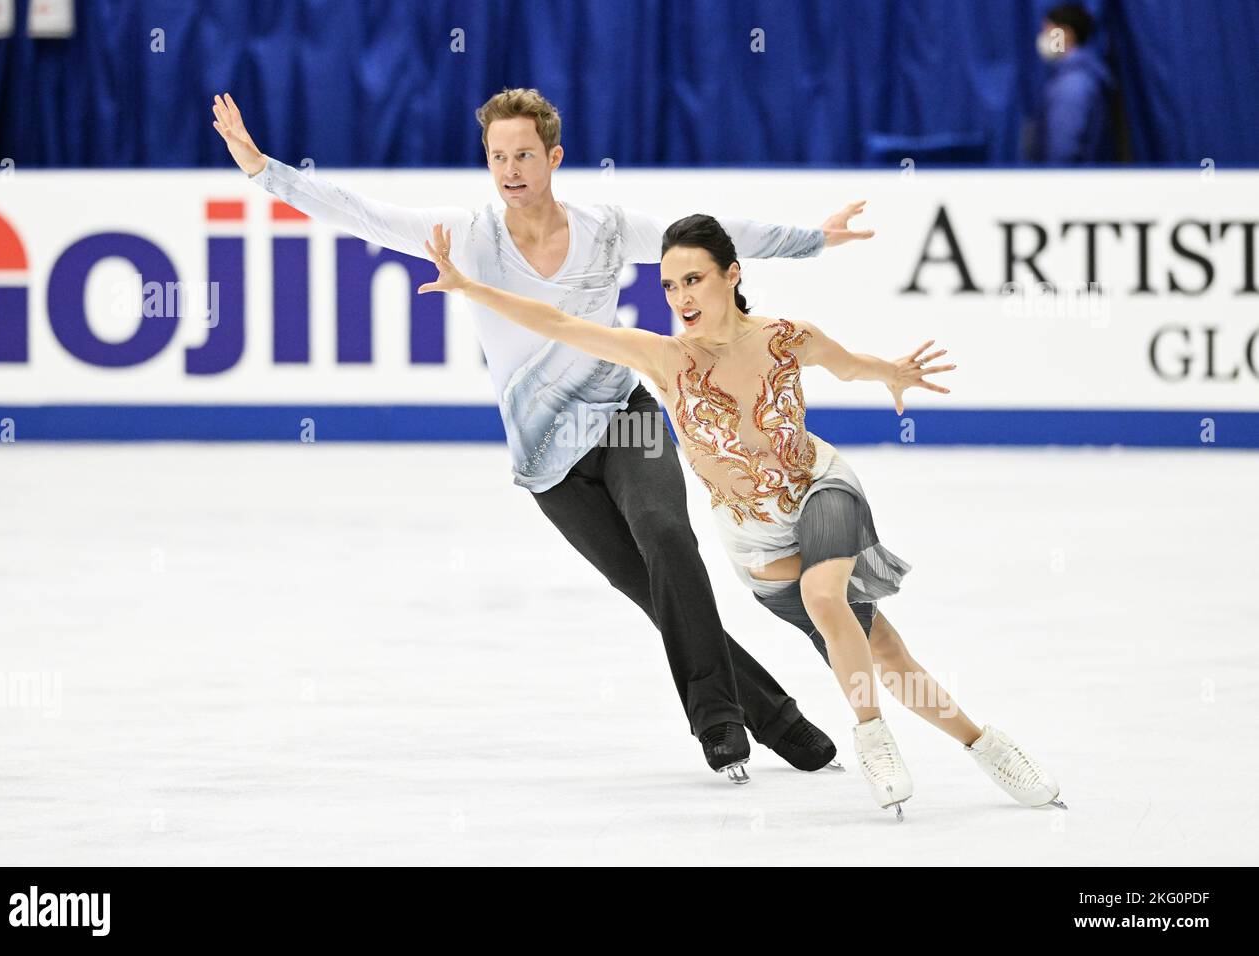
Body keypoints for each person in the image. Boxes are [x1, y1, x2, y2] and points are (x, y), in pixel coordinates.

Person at [211, 87, 878, 781]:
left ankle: (719, 724)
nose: (510, 168)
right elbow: (362, 216)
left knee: (668, 537)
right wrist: (263, 170)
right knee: (655, 594)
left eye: (524, 153)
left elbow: (713, 236)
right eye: (498, 156)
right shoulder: (467, 235)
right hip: (548, 464)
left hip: (626, 420)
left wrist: (815, 240)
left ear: (553, 157)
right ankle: (784, 724)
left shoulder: (606, 228)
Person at [416, 214, 1067, 820]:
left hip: (820, 486)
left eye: (693, 278)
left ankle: (870, 733)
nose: (680, 297)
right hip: (754, 540)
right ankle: (982, 742)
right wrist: (471, 287)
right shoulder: (665, 360)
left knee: (824, 595)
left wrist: (891, 372)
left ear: (733, 274)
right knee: (884, 648)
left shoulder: (788, 338)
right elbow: (558, 325)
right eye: (669, 284)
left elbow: (847, 366)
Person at [1028, 3, 1115, 164]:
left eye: (1048, 31)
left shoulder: (1073, 83)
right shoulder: (1076, 75)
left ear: (1066, 34)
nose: (1043, 37)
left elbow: (1063, 148)